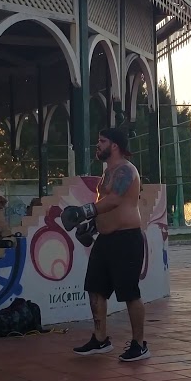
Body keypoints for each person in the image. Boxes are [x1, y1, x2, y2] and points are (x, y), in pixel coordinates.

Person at [65, 127, 150, 362]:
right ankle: (100, 340)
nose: (97, 145)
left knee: (129, 293)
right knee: (95, 288)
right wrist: (91, 225)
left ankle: (139, 345)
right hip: (106, 240)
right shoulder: (107, 173)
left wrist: (84, 212)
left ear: (114, 146)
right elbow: (103, 202)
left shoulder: (126, 170)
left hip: (126, 238)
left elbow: (115, 200)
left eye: (102, 141)